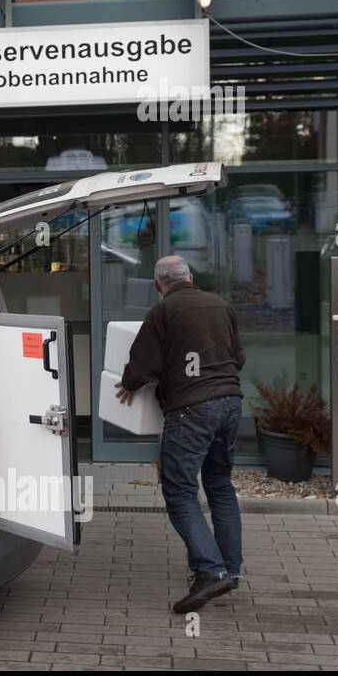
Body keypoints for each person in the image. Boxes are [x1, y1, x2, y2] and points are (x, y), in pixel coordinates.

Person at [114, 255, 246, 615]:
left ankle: (210, 570)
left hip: (192, 410)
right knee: (220, 486)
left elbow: (142, 364)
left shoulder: (162, 312)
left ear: (158, 286)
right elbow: (238, 358)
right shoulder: (221, 305)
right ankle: (230, 570)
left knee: (180, 491)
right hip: (231, 404)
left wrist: (128, 384)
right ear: (190, 276)